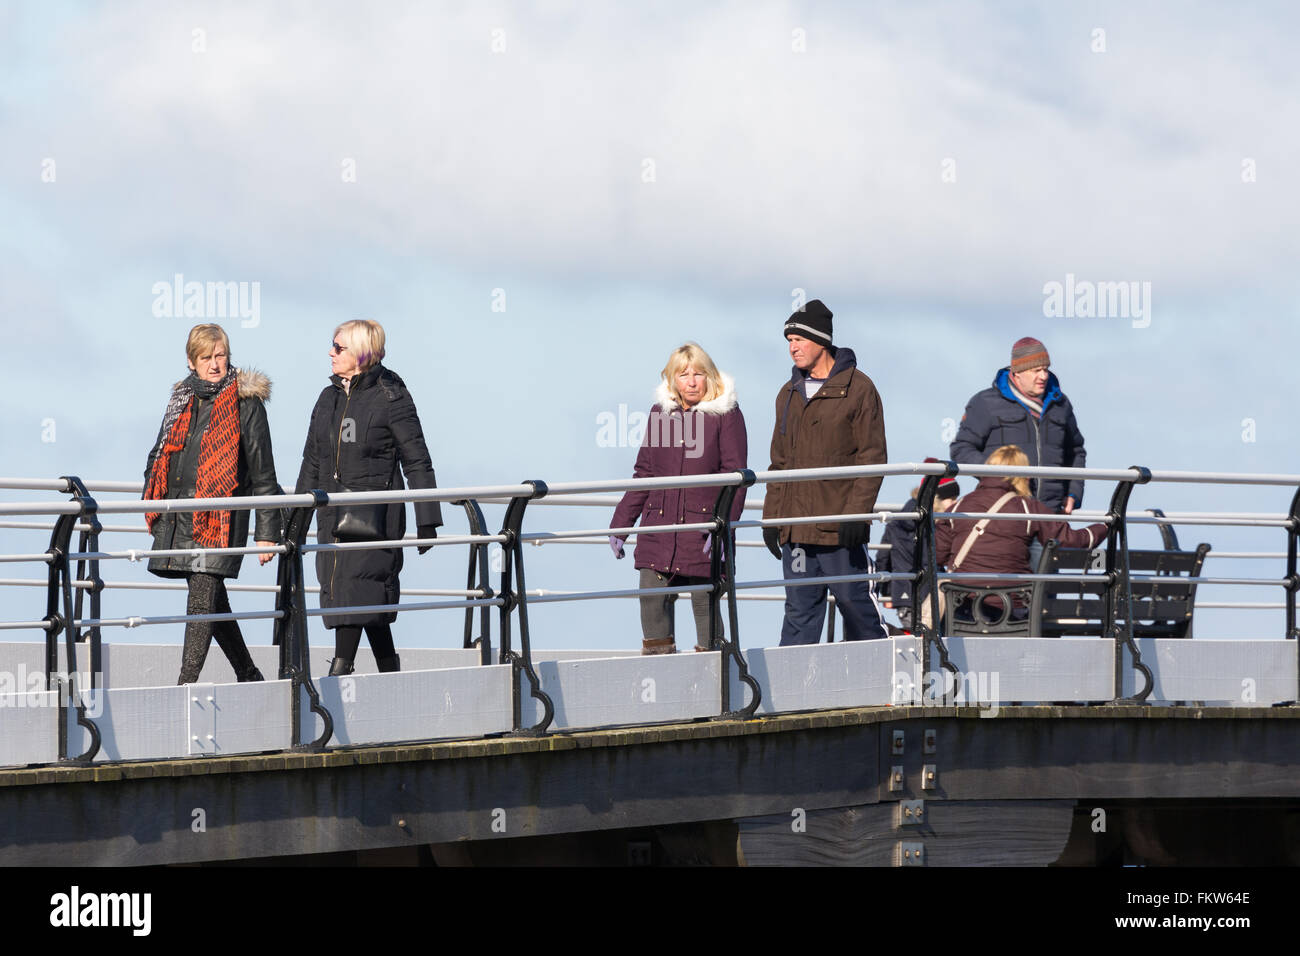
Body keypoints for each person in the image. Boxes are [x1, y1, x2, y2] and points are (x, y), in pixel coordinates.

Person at [295, 319, 441, 675]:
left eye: (338, 347)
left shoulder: (392, 397)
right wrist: (293, 523)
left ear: (360, 354)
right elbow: (311, 461)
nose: (330, 352)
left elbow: (416, 458)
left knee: (354, 596)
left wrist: (427, 522)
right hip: (332, 519)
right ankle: (391, 678)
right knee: (365, 606)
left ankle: (336, 677)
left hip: (376, 520)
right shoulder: (327, 398)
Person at [144, 324, 282, 684]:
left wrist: (267, 533)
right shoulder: (181, 400)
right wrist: (154, 506)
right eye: (207, 357)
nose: (215, 364)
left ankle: (183, 687)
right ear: (192, 362)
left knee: (202, 600)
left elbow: (263, 474)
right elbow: (159, 455)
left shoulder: (246, 404)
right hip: (179, 517)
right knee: (212, 601)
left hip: (219, 520)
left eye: (221, 356)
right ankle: (249, 674)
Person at [762, 299, 890, 645]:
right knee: (800, 611)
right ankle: (791, 694)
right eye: (789, 340)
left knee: (855, 602)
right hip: (796, 530)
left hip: (839, 527)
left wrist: (855, 516)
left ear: (821, 341)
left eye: (799, 339)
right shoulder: (786, 394)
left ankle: (883, 679)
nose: (792, 347)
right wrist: (772, 521)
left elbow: (873, 458)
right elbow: (779, 463)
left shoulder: (859, 389)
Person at [610, 343, 748, 654]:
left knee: (706, 607)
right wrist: (621, 524)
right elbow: (645, 472)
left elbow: (736, 478)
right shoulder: (660, 414)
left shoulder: (726, 416)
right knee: (652, 604)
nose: (692, 381)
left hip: (703, 532)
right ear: (673, 379)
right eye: (683, 374)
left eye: (699, 373)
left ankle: (716, 687)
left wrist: (725, 526)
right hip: (658, 530)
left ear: (709, 377)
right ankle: (660, 687)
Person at [935, 445, 1108, 622]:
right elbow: (1072, 540)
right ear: (1021, 475)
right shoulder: (1027, 508)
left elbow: (936, 556)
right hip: (1012, 608)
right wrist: (1106, 525)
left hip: (963, 608)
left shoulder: (958, 507)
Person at [949, 337, 1086, 515]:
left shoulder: (1061, 404)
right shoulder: (985, 403)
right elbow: (962, 449)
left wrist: (1073, 492)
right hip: (1004, 512)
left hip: (1050, 514)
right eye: (1036, 370)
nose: (1043, 376)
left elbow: (1075, 451)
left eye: (1045, 369)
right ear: (1017, 372)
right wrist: (998, 475)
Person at [877, 458, 959, 632]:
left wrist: (886, 591)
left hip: (904, 594)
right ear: (937, 498)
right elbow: (934, 557)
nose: (954, 503)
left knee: (917, 640)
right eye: (951, 498)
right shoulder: (934, 522)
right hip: (931, 595)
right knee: (928, 641)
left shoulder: (897, 520)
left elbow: (883, 556)